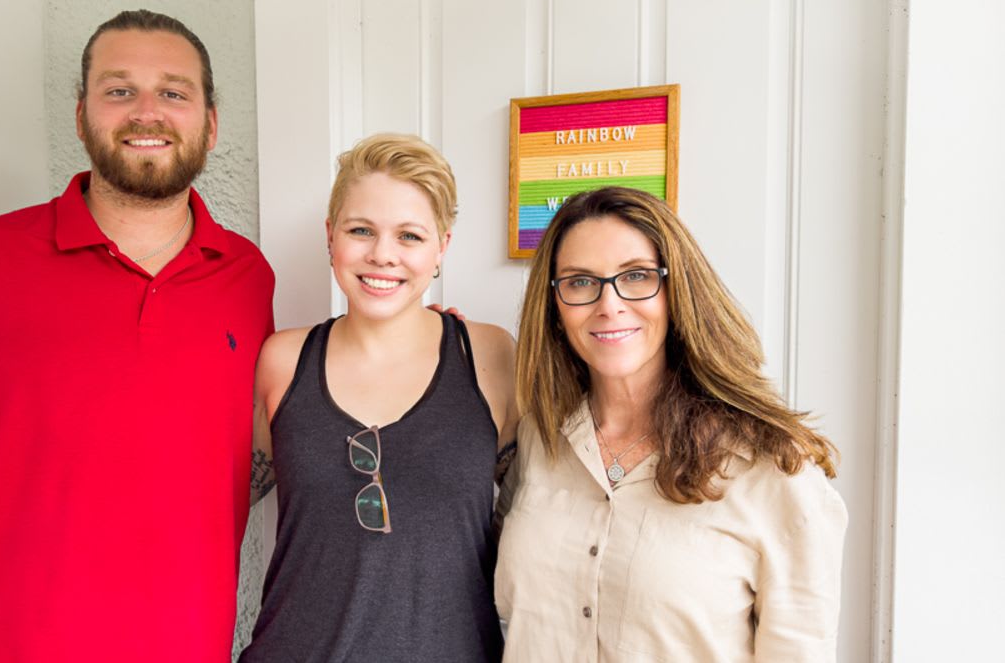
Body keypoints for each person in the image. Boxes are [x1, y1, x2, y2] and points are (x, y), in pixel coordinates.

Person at [0, 10, 274, 662]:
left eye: (174, 91)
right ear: (81, 117)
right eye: (119, 89)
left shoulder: (247, 279)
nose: (147, 111)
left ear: (210, 124)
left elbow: (258, 452)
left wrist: (417, 343)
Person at [495, 186, 847, 661]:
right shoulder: (539, 439)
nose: (609, 304)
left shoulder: (773, 471)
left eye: (637, 276)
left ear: (677, 290)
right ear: (554, 308)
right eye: (579, 282)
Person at [239, 133, 518, 662]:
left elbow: (541, 506)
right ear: (331, 237)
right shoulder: (282, 360)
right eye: (361, 230)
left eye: (410, 236)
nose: (382, 255)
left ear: (442, 247)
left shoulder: (488, 356)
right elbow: (212, 506)